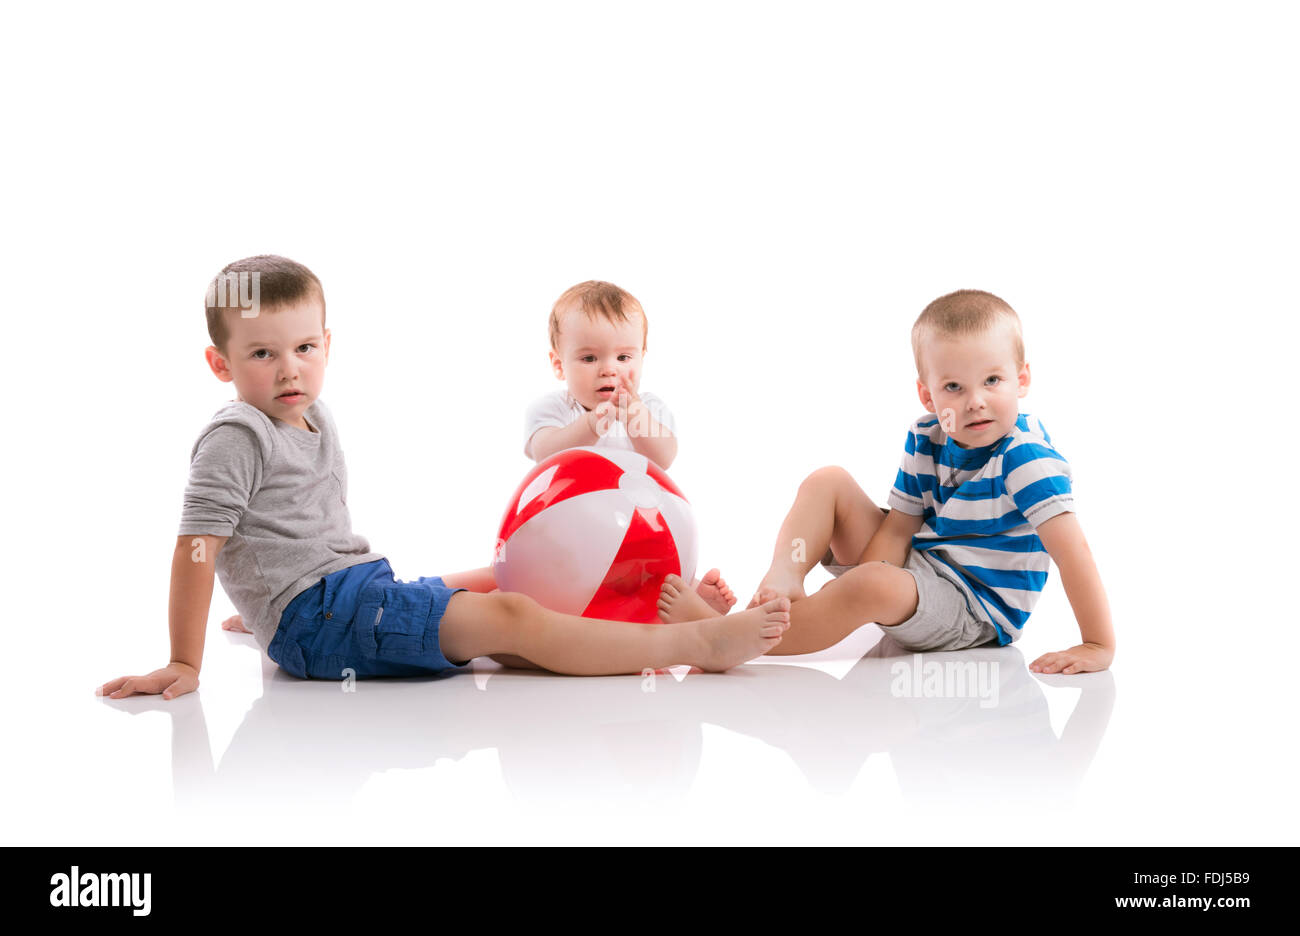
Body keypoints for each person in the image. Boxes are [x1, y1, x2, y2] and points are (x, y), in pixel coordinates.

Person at [97, 256, 789, 701]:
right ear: (220, 365)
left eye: (305, 348)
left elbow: (288, 535)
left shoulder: (314, 417)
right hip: (321, 620)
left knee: (500, 573)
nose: (289, 369)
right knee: (513, 617)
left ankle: (641, 613)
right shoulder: (235, 436)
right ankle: (695, 642)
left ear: (327, 346)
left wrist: (258, 607)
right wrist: (186, 661)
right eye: (262, 353)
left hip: (346, 589)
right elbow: (197, 548)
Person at [657, 289, 1114, 675]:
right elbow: (899, 527)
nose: (975, 401)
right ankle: (785, 576)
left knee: (873, 586)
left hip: (975, 608)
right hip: (922, 568)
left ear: (1022, 379)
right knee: (828, 480)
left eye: (992, 380)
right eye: (954, 387)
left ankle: (727, 640)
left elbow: (1073, 554)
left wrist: (1097, 644)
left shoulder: (1025, 459)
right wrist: (863, 582)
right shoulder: (927, 437)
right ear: (927, 395)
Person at [525, 279, 735, 615]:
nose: (609, 368)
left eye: (624, 356)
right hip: (567, 536)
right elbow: (545, 454)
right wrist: (590, 424)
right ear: (558, 364)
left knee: (655, 567)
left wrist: (635, 413)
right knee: (535, 577)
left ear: (642, 358)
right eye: (589, 357)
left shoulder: (648, 408)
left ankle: (691, 600)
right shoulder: (554, 409)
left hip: (635, 531)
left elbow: (664, 456)